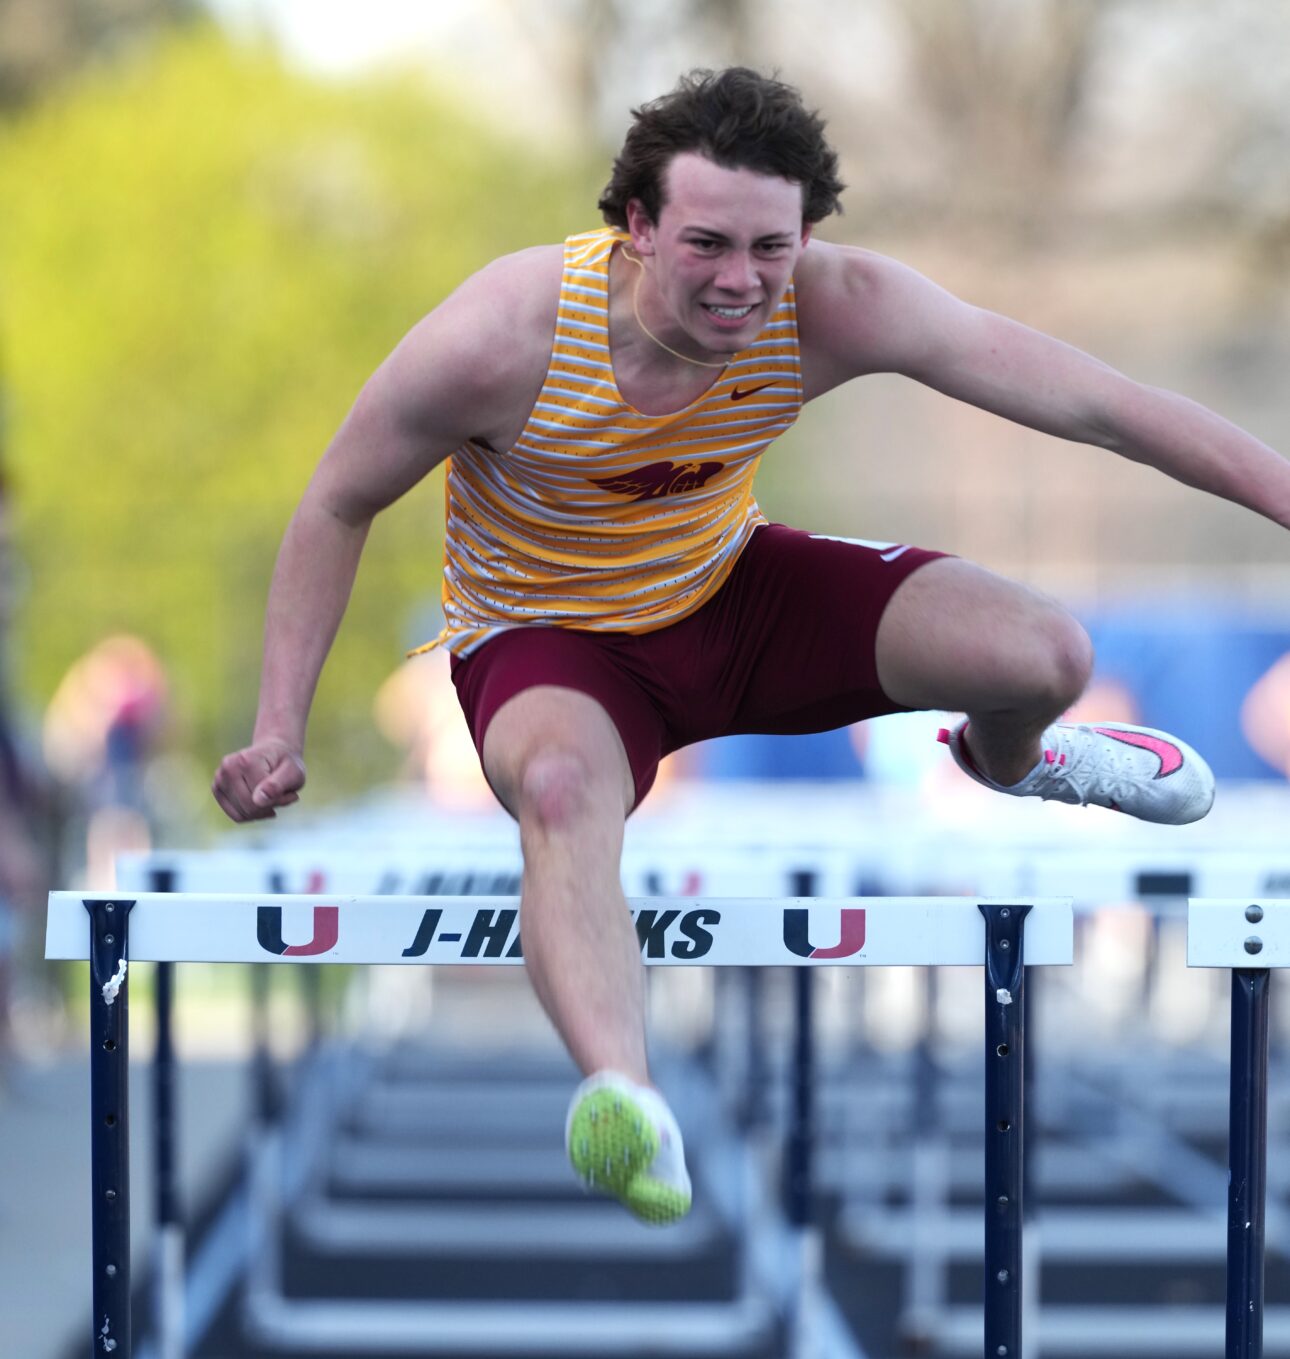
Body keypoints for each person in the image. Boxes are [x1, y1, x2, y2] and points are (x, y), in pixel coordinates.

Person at [214, 67, 1288, 1225]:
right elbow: (336, 502)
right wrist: (280, 727)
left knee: (1047, 654)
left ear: (806, 236)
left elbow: (1106, 407)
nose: (740, 282)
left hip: (732, 597)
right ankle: (626, 1101)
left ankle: (1015, 760)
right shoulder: (502, 337)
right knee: (564, 793)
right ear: (637, 226)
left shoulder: (836, 302)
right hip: (551, 641)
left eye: (770, 248)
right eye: (708, 245)